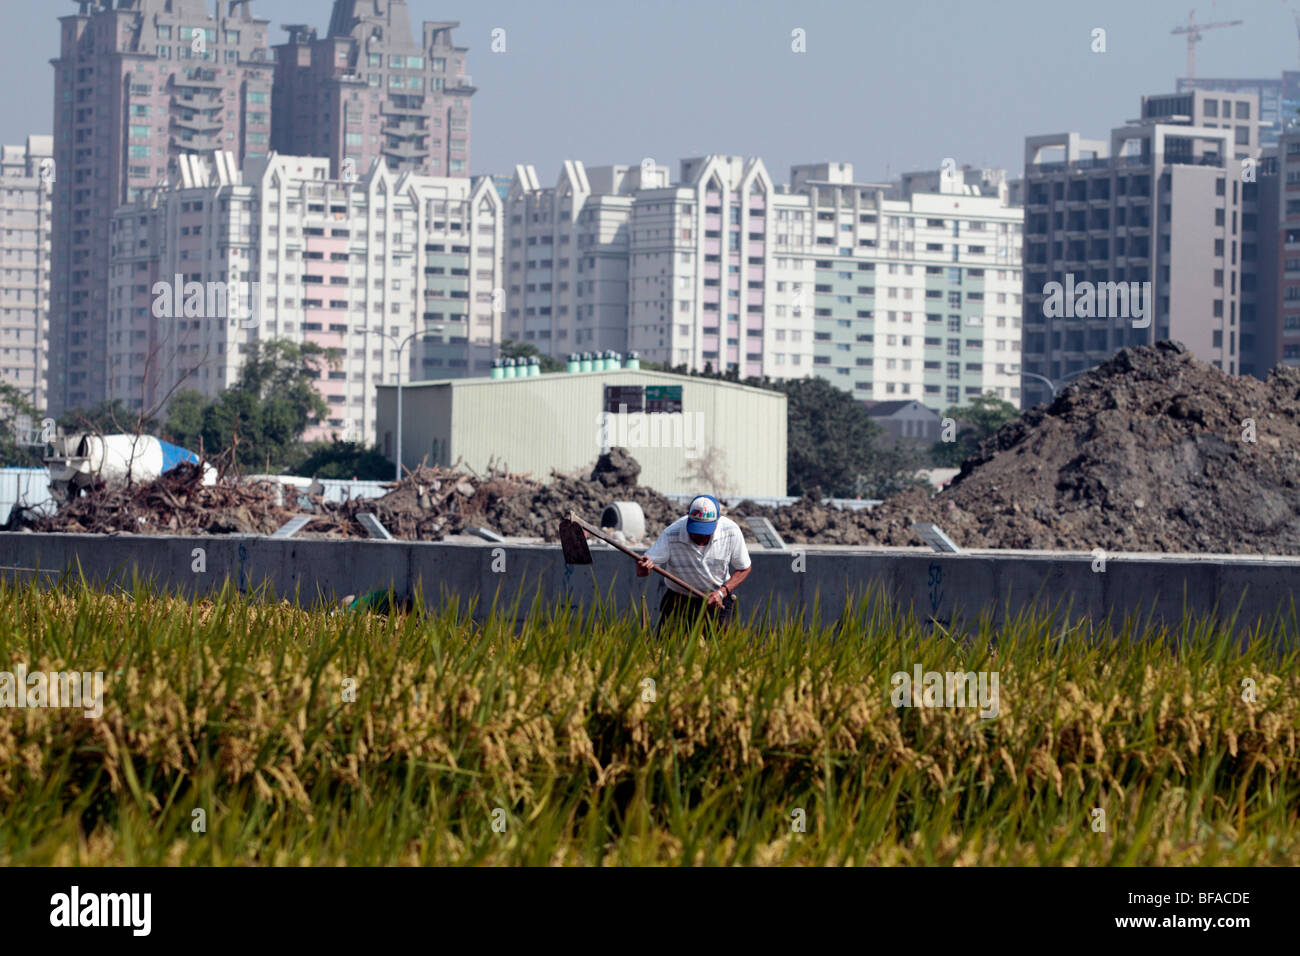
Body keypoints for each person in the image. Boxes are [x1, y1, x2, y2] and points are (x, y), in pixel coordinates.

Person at [636, 493, 752, 635]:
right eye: (696, 533)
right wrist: (644, 567)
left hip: (717, 600)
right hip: (679, 600)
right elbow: (643, 570)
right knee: (670, 651)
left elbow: (744, 568)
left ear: (717, 522)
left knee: (718, 653)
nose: (701, 539)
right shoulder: (672, 534)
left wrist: (722, 592)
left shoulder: (731, 532)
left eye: (706, 533)